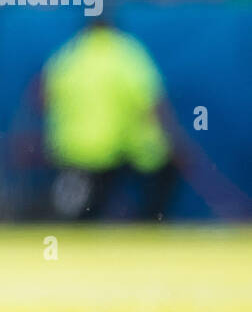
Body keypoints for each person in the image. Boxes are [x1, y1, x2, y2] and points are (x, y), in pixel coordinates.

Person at [41, 17, 177, 220]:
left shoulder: (67, 55)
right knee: (156, 184)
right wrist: (169, 137)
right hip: (116, 145)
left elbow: (44, 97)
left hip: (72, 148)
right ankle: (147, 225)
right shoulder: (124, 52)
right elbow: (150, 100)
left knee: (83, 209)